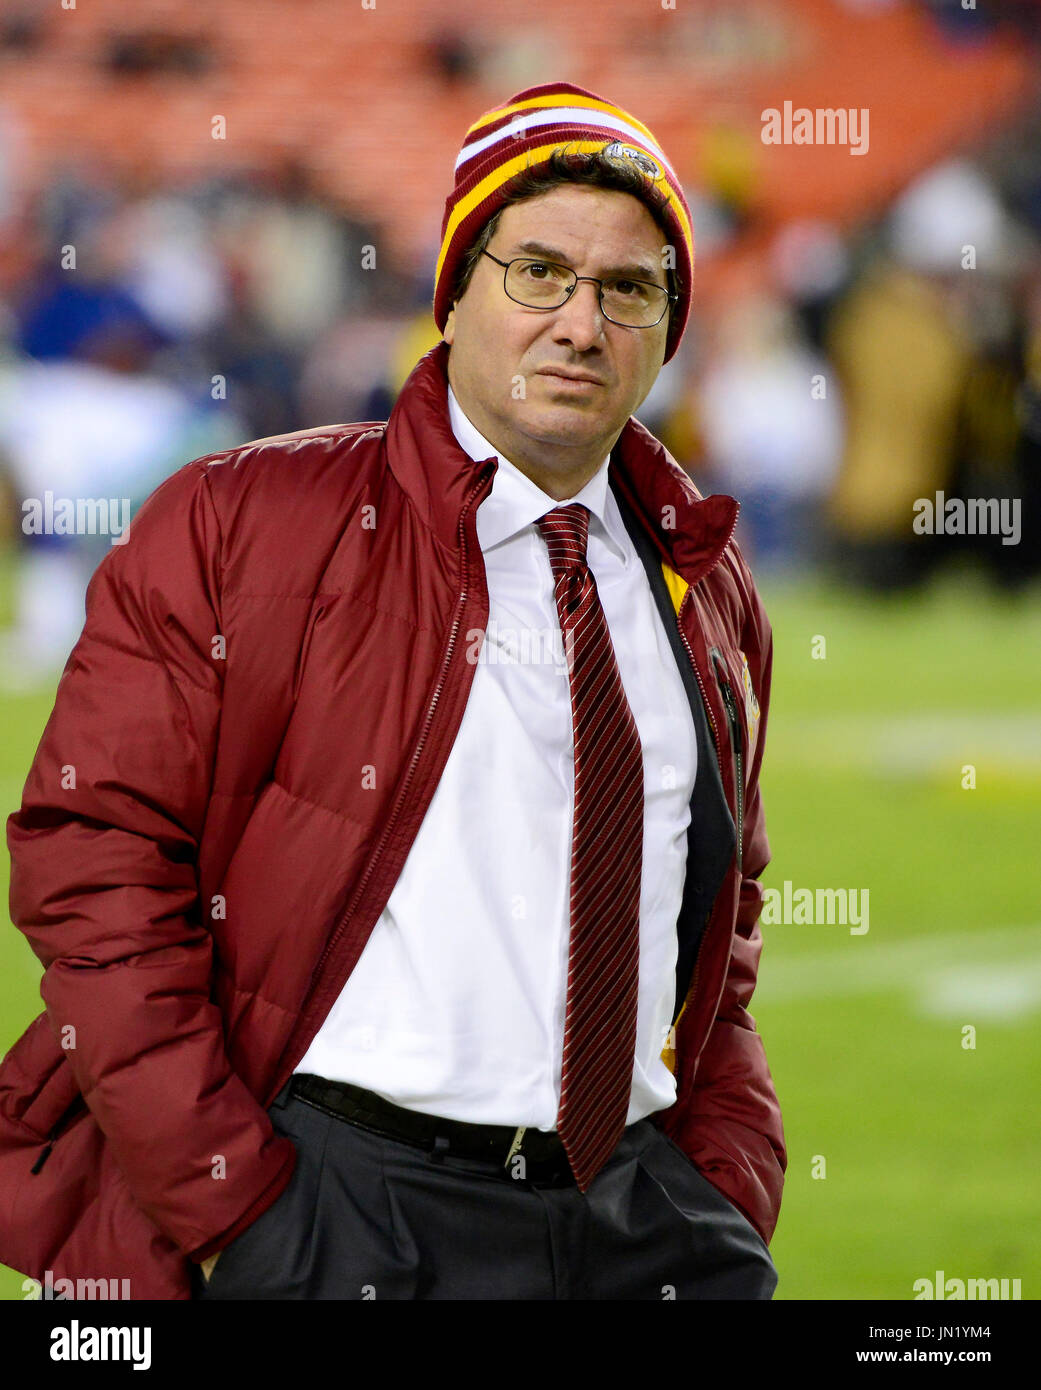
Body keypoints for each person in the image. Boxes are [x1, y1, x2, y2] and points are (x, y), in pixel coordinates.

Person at [1, 81, 785, 1301]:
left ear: (667, 326)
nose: (581, 322)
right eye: (537, 271)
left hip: (640, 1216)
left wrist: (727, 1180)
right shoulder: (241, 520)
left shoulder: (709, 580)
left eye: (629, 288)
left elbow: (721, 930)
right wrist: (236, 1209)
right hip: (342, 1210)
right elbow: (90, 856)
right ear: (454, 292)